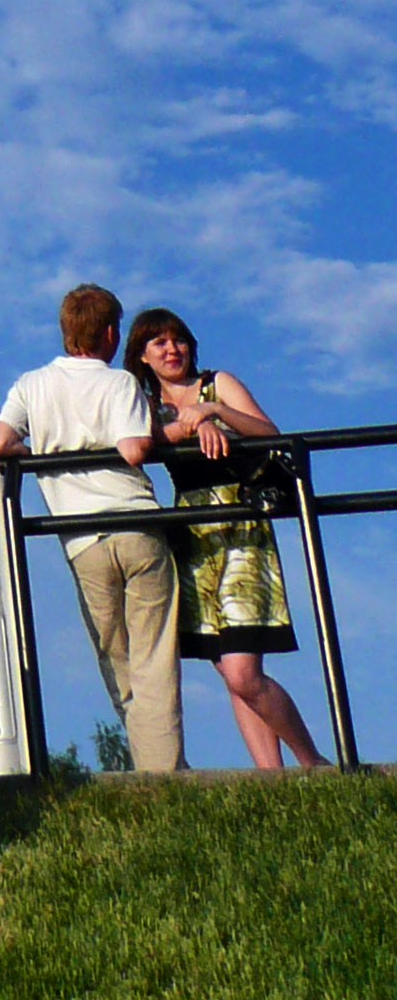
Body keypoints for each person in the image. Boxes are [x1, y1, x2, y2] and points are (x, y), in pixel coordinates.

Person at [123, 306, 328, 772]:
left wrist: (214, 411)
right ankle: (270, 776)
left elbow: (271, 433)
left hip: (237, 521)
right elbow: (140, 443)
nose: (172, 349)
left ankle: (312, 761)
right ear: (142, 355)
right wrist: (191, 425)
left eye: (179, 340)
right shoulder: (143, 401)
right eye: (160, 343)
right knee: (227, 670)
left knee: (243, 671)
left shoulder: (219, 383)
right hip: (192, 530)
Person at [0, 283, 183, 773]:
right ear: (112, 333)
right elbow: (136, 448)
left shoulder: (32, 385)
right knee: (154, 657)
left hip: (81, 539)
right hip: (135, 524)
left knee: (115, 660)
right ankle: (165, 775)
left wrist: (31, 454)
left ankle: (149, 767)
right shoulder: (120, 384)